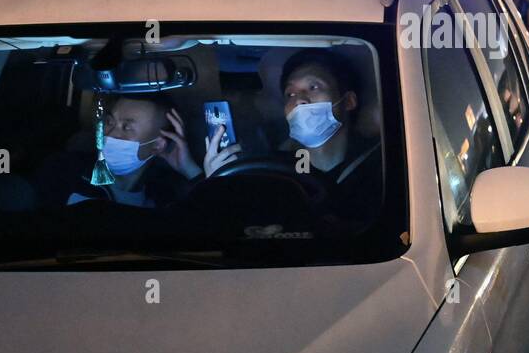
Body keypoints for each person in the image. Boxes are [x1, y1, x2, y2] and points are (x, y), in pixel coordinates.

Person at [204, 49, 381, 224]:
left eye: (313, 87)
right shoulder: (270, 170)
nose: (299, 100)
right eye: (290, 94)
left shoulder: (380, 167)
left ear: (349, 101)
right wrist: (216, 182)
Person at [50, 96, 202, 208]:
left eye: (127, 127)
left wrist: (190, 170)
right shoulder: (65, 171)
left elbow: (216, 223)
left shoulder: (164, 197)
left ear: (157, 145)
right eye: (110, 122)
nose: (109, 133)